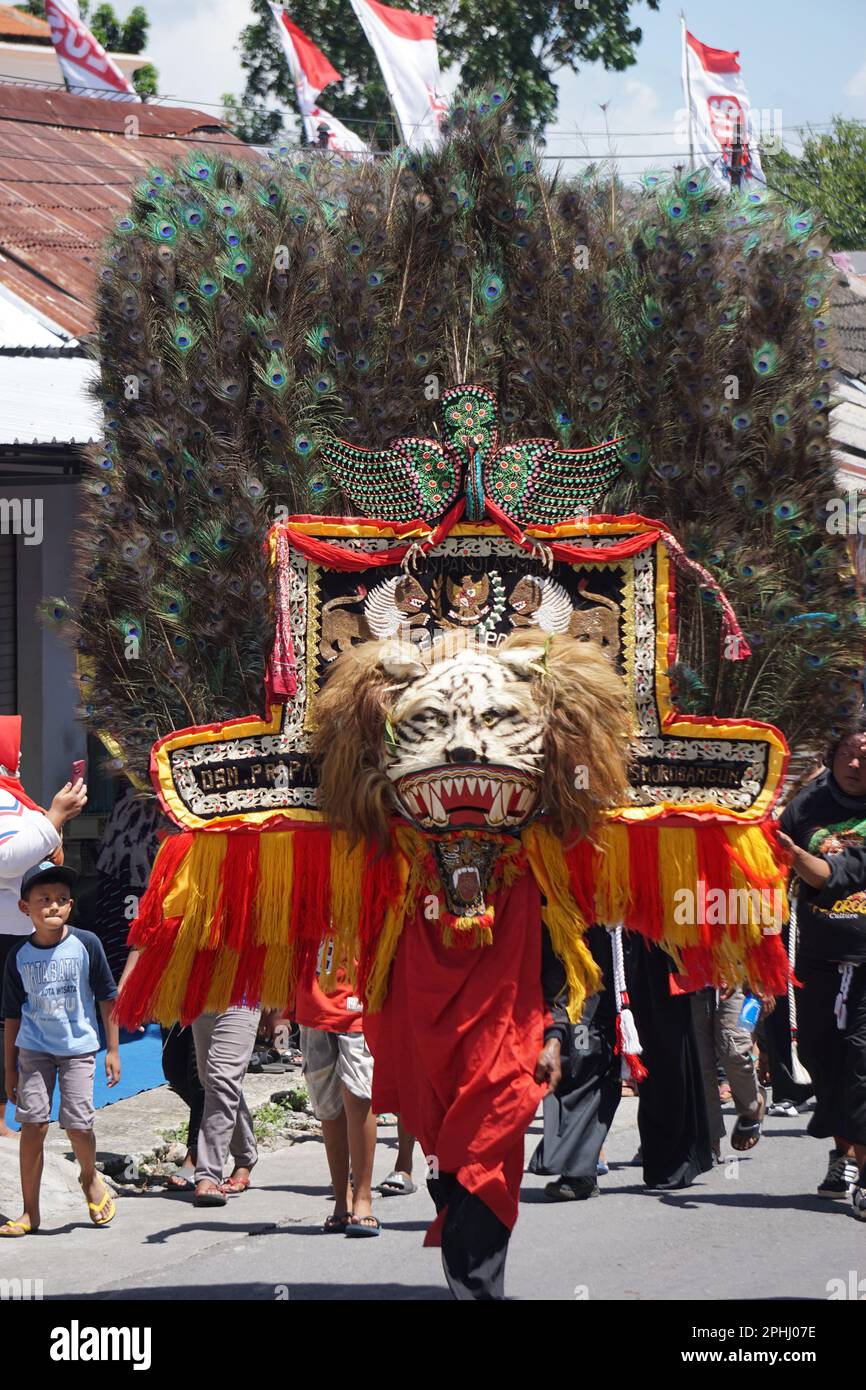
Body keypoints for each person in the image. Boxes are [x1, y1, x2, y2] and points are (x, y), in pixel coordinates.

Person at [1, 860, 120, 1236]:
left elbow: (107, 998)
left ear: (71, 905)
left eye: (62, 899)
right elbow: (10, 1016)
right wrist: (9, 1069)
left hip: (78, 1049)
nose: (54, 905)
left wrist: (113, 1050)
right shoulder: (18, 956)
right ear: (25, 908)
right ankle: (29, 1212)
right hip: (33, 1050)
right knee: (33, 1125)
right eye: (44, 899)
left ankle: (89, 1177)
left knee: (78, 1125)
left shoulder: (87, 944)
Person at [778, 722, 866, 1212]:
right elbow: (763, 861)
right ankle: (843, 1153)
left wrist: (792, 855)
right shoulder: (805, 806)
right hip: (816, 956)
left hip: (865, 959)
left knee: (862, 1064)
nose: (856, 764)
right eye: (849, 753)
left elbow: (838, 875)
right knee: (820, 1057)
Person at [0, 715, 87, 1136]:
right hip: (5, 932)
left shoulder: (14, 796)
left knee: (21, 1019)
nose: (19, 753)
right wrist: (53, 817)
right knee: (6, 1022)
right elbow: (7, 859)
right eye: (13, 745)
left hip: (23, 929)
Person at [528, 924, 621, 1201]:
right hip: (565, 983)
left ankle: (580, 1171)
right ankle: (580, 1171)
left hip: (590, 993)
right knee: (575, 1063)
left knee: (584, 1059)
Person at [295, 944, 379, 1235]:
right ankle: (341, 1200)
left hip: (359, 1002)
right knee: (327, 1107)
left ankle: (363, 1198)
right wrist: (280, 1009)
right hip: (312, 1003)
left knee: (359, 1095)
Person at [690, 986, 768, 1158]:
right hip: (692, 975)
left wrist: (764, 982)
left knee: (733, 1047)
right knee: (700, 1061)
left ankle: (753, 1104)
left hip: (735, 973)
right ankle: (711, 1138)